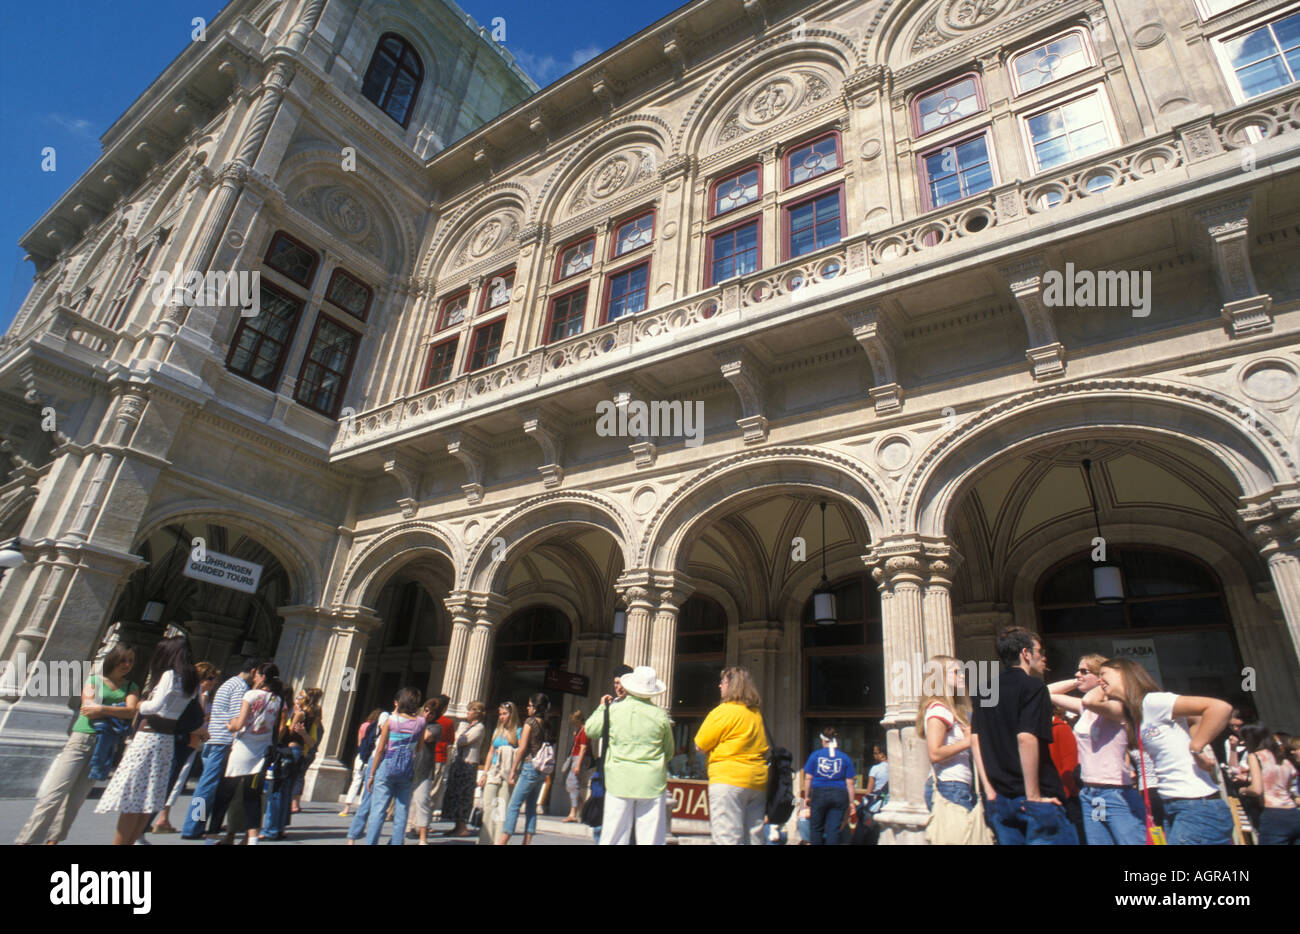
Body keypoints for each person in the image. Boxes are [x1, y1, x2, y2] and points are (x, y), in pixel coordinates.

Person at [1089, 657, 1233, 845]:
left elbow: (1220, 708)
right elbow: (1090, 702)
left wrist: (1196, 747)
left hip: (1196, 806)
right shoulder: (1138, 712)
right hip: (1175, 805)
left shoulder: (1154, 701)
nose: (1099, 681)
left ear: (1123, 673)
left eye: (1103, 674)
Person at [15, 645, 139, 845]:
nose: (127, 665)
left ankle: (53, 841)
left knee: (75, 801)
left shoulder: (131, 686)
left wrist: (102, 708)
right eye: (124, 660)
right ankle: (26, 842)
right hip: (81, 739)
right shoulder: (94, 681)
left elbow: (131, 711)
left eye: (131, 661)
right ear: (113, 660)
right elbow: (88, 709)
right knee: (53, 796)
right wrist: (117, 708)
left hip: (105, 746)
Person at [970, 626, 1078, 845]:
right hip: (1036, 798)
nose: (1043, 657)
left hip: (1000, 799)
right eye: (1039, 651)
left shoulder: (984, 690)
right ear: (1026, 653)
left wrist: (989, 790)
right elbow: (1026, 737)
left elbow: (975, 740)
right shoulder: (1033, 687)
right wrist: (1033, 796)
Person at [95, 636, 199, 845]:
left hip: (149, 737)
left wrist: (139, 705)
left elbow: (155, 706)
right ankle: (133, 840)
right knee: (147, 798)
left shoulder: (170, 675)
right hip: (166, 740)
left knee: (133, 798)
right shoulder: (192, 679)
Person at [1048, 654, 1145, 845]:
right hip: (1091, 793)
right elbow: (1047, 692)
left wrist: (1100, 683)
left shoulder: (1119, 707)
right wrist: (1079, 681)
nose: (1078, 674)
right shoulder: (1087, 709)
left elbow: (1091, 701)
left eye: (1084, 671)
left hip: (1116, 793)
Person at [583, 667, 675, 846]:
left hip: (619, 780)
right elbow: (669, 752)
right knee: (651, 838)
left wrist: (602, 707)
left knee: (614, 837)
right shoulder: (660, 716)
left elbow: (591, 729)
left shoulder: (614, 710)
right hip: (651, 783)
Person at [208, 662, 284, 845]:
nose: (255, 678)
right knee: (253, 798)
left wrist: (230, 724)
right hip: (261, 753)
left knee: (224, 795)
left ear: (262, 677)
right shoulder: (278, 699)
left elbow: (239, 724)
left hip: (242, 750)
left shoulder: (250, 694)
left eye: (257, 675)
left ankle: (210, 837)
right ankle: (252, 840)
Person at [181, 657, 256, 838]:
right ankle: (192, 827)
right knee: (207, 786)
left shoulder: (229, 683)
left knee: (207, 784)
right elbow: (235, 717)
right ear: (253, 672)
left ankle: (196, 825)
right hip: (222, 741)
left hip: (214, 740)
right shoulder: (240, 687)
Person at [695, 666, 768, 845]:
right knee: (754, 838)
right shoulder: (755, 713)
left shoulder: (723, 711)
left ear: (732, 686)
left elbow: (700, 745)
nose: (720, 686)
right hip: (757, 782)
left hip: (728, 780)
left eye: (723, 682)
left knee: (727, 837)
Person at [151, 661, 218, 835]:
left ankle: (168, 817)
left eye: (213, 679)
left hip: (197, 743)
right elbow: (197, 720)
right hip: (199, 742)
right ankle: (193, 824)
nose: (212, 683)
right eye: (209, 679)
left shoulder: (200, 694)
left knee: (185, 782)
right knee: (200, 785)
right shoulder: (199, 695)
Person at [361, 687, 428, 845]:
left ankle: (371, 842)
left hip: (387, 765)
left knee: (378, 810)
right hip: (406, 767)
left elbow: (380, 749)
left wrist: (371, 774)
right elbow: (419, 749)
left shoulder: (391, 720)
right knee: (402, 811)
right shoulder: (421, 722)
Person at [917, 655, 974, 814]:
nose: (962, 675)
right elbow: (934, 753)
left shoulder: (953, 710)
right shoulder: (938, 710)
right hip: (950, 786)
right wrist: (968, 741)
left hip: (956, 785)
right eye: (955, 672)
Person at [498, 693, 554, 845]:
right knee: (531, 806)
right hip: (541, 770)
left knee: (514, 804)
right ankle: (527, 841)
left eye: (530, 705)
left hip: (530, 766)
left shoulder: (530, 722)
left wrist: (513, 770)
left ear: (535, 707)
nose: (528, 708)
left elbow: (522, 748)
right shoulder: (546, 723)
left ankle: (503, 839)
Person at [1239, 723, 1299, 844]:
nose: (1242, 743)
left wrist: (1244, 790)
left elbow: (1257, 789)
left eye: (1243, 739)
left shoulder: (1255, 756)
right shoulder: (1282, 757)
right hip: (1293, 813)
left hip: (1273, 814)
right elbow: (1287, 787)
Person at [802, 727, 855, 845]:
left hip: (819, 792)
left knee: (816, 828)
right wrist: (851, 802)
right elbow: (850, 782)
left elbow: (808, 778)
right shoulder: (845, 757)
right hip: (839, 794)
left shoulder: (815, 756)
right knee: (834, 829)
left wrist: (806, 796)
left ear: (823, 740)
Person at [479, 701, 521, 844]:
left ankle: (498, 841)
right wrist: (484, 773)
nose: (502, 717)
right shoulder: (497, 731)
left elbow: (521, 753)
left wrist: (514, 771)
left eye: (505, 713)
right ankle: (485, 840)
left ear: (512, 714)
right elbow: (490, 753)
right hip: (494, 770)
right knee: (488, 806)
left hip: (507, 771)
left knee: (501, 810)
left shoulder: (518, 732)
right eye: (500, 714)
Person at [442, 700, 486, 836]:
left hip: (468, 764)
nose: (468, 713)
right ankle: (457, 824)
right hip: (459, 763)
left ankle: (462, 826)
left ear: (477, 713)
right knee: (455, 794)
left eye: (470, 710)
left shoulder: (479, 727)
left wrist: (460, 734)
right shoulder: (466, 726)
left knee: (463, 795)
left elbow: (462, 741)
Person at [409, 698, 442, 844]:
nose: (428, 714)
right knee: (407, 801)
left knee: (422, 801)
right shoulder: (417, 722)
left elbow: (428, 737)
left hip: (424, 768)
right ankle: (408, 828)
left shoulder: (436, 727)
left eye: (432, 713)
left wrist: (417, 725)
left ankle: (423, 837)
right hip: (409, 766)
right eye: (426, 710)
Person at [339, 708, 382, 818]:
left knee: (355, 781)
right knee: (367, 783)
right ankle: (361, 808)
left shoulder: (363, 725)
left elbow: (359, 742)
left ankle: (346, 808)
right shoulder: (379, 728)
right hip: (371, 757)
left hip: (361, 756)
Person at [428, 693, 454, 821]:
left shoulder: (426, 720)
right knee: (433, 791)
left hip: (425, 758)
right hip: (439, 758)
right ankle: (425, 821)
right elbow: (451, 741)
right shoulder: (447, 722)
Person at [563, 709, 589, 822]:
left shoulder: (584, 731)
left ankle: (573, 812)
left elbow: (583, 748)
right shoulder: (579, 730)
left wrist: (578, 765)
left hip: (579, 759)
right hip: (575, 758)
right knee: (571, 784)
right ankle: (582, 808)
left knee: (572, 784)